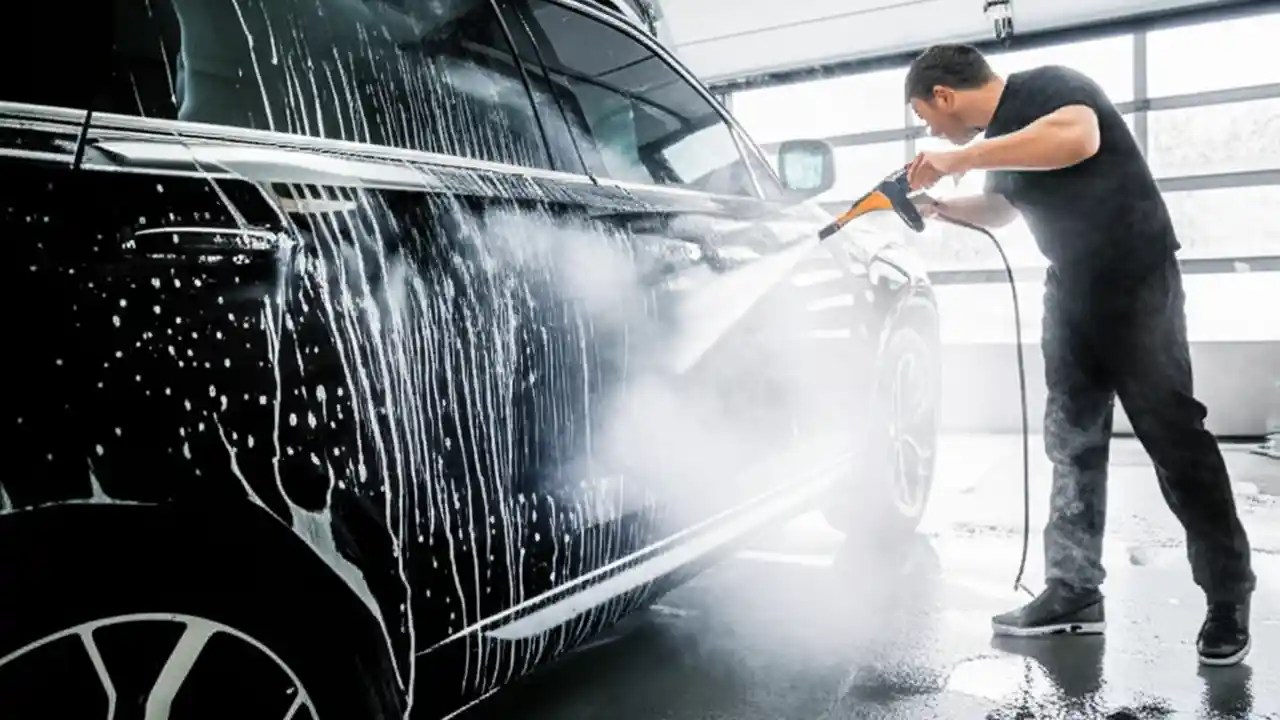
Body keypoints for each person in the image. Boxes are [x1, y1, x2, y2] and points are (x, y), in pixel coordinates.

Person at [900, 43, 1255, 666]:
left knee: (1174, 439)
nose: (929, 130)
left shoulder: (1049, 88)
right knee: (1071, 440)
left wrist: (959, 155)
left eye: (925, 117)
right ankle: (1073, 592)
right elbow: (1005, 208)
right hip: (1068, 289)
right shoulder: (1001, 142)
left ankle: (1227, 595)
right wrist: (943, 207)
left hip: (1136, 282)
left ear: (944, 96)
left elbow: (1078, 139)